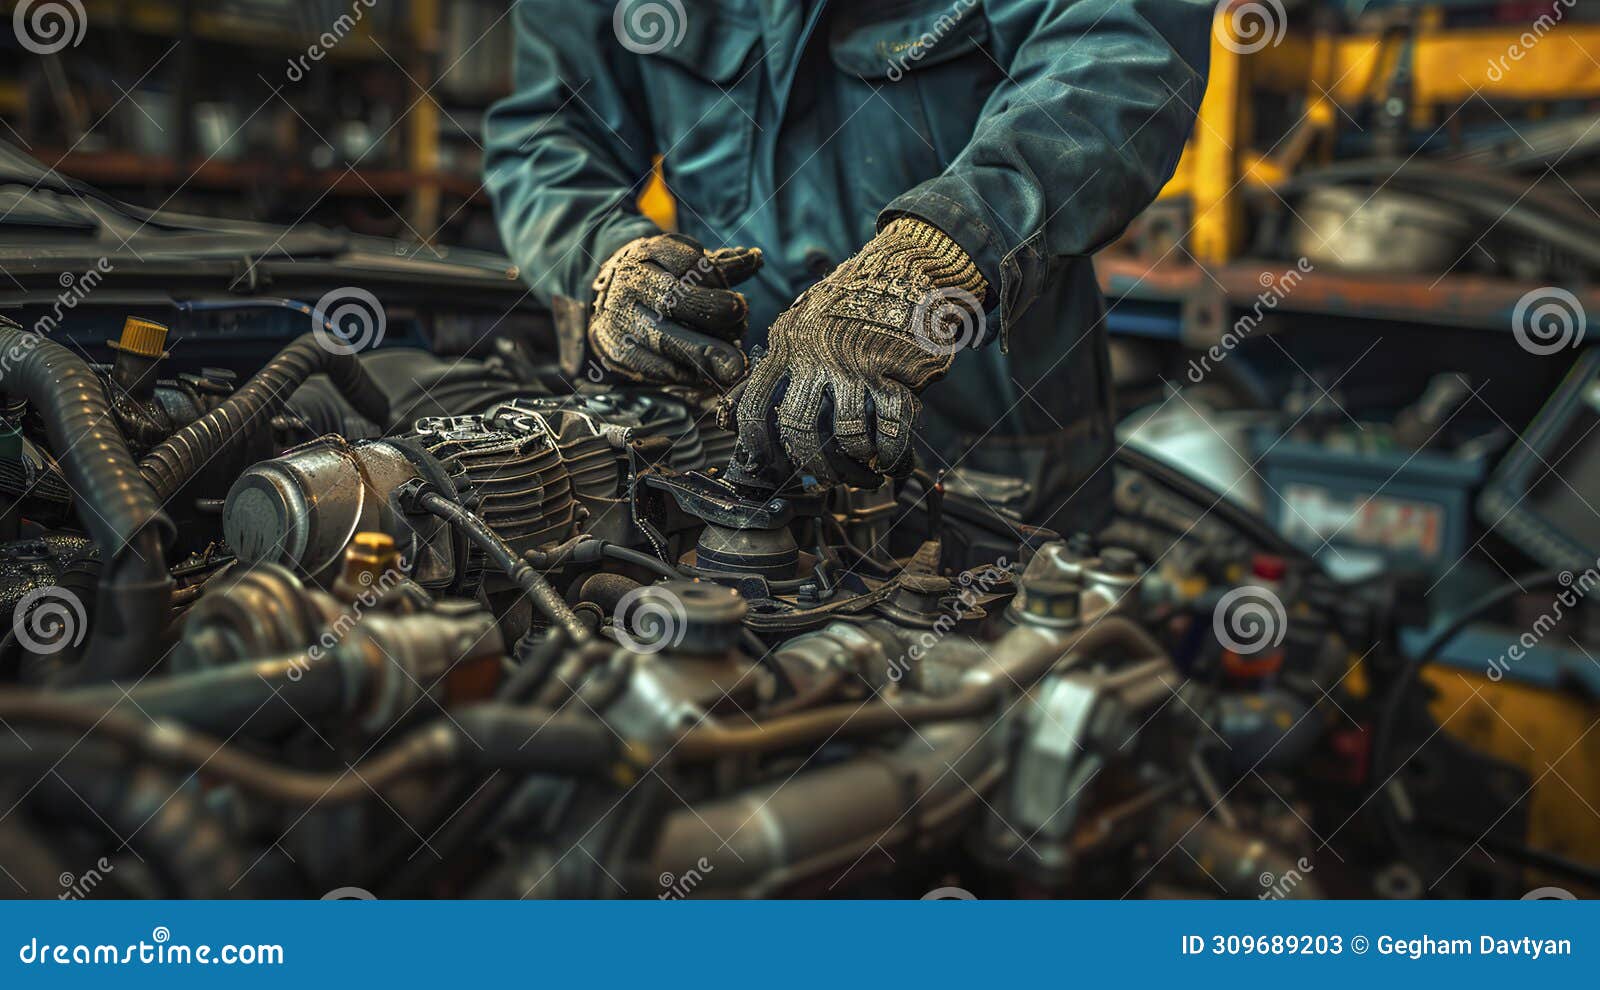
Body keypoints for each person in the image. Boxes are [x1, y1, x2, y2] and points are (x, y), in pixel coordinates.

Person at [486, 0, 1212, 527]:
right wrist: (603, 256)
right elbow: (551, 136)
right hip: (724, 449)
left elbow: (1121, 50)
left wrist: (949, 247)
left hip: (992, 465)